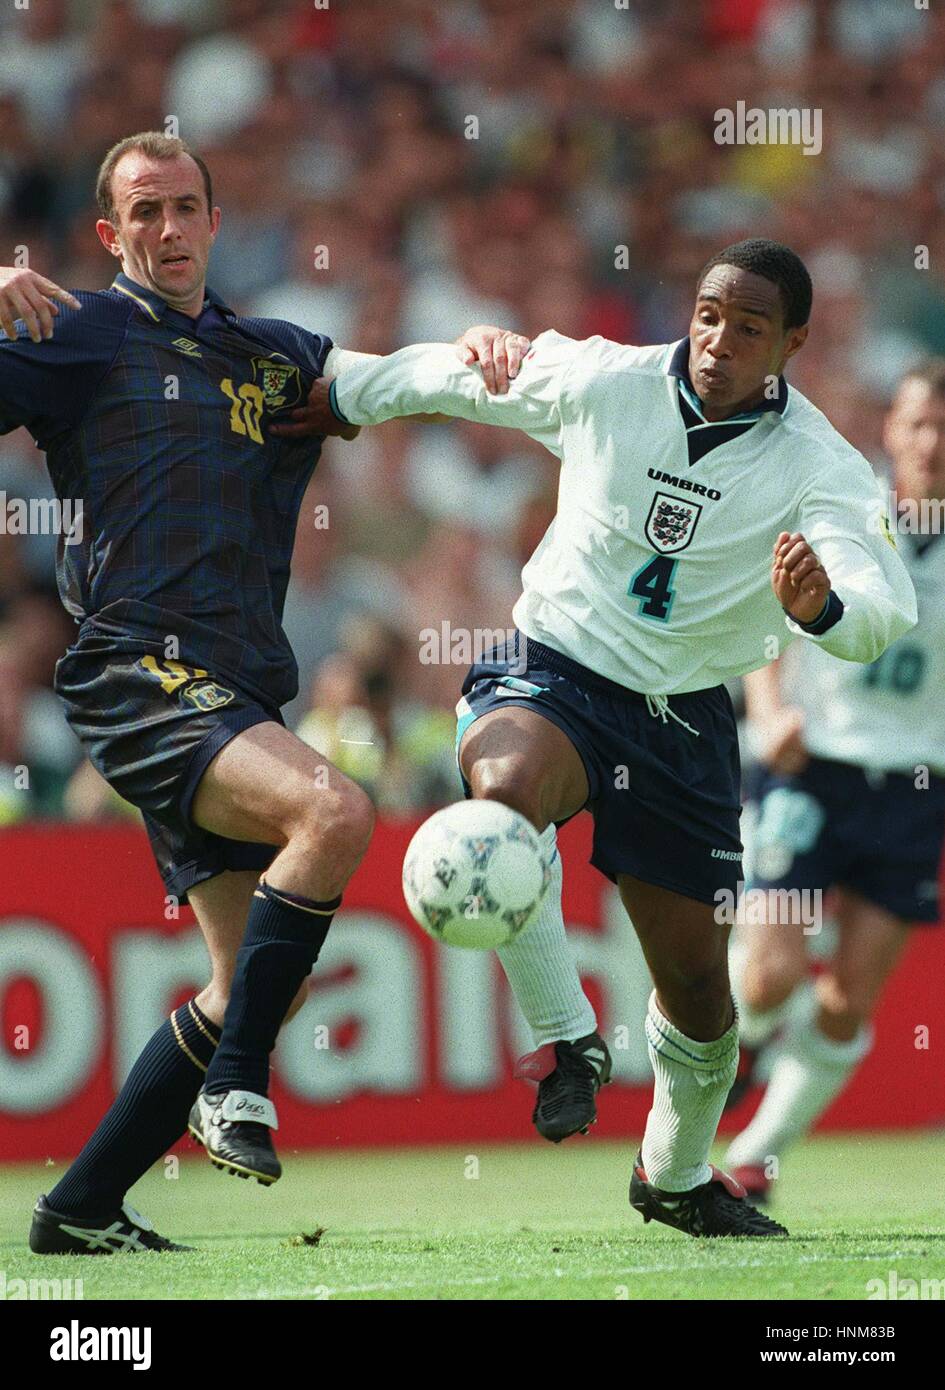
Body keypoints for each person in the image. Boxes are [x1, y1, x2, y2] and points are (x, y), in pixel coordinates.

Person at [294, 238, 917, 1237]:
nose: (717, 339)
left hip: (684, 720)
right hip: (557, 673)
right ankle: (565, 1037)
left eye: (748, 326)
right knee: (498, 803)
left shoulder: (820, 465)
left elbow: (885, 603)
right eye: (709, 313)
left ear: (792, 342)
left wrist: (825, 610)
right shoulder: (607, 379)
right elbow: (468, 375)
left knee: (704, 1002)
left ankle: (673, 1175)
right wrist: (344, 389)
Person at [0, 130, 520, 1255]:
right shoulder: (79, 334)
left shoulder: (268, 352)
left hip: (233, 691)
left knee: (254, 987)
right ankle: (234, 1093)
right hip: (137, 670)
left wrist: (473, 353)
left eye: (186, 207)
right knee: (336, 812)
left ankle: (79, 1206)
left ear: (216, 221)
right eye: (145, 214)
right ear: (109, 235)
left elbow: (381, 383)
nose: (169, 230)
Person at [722, 359, 945, 1200]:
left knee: (847, 1001)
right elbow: (764, 615)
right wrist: (769, 708)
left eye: (944, 428)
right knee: (768, 977)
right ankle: (735, 1044)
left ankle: (755, 1156)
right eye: (917, 423)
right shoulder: (846, 506)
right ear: (891, 429)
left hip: (916, 787)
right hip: (808, 768)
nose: (931, 443)